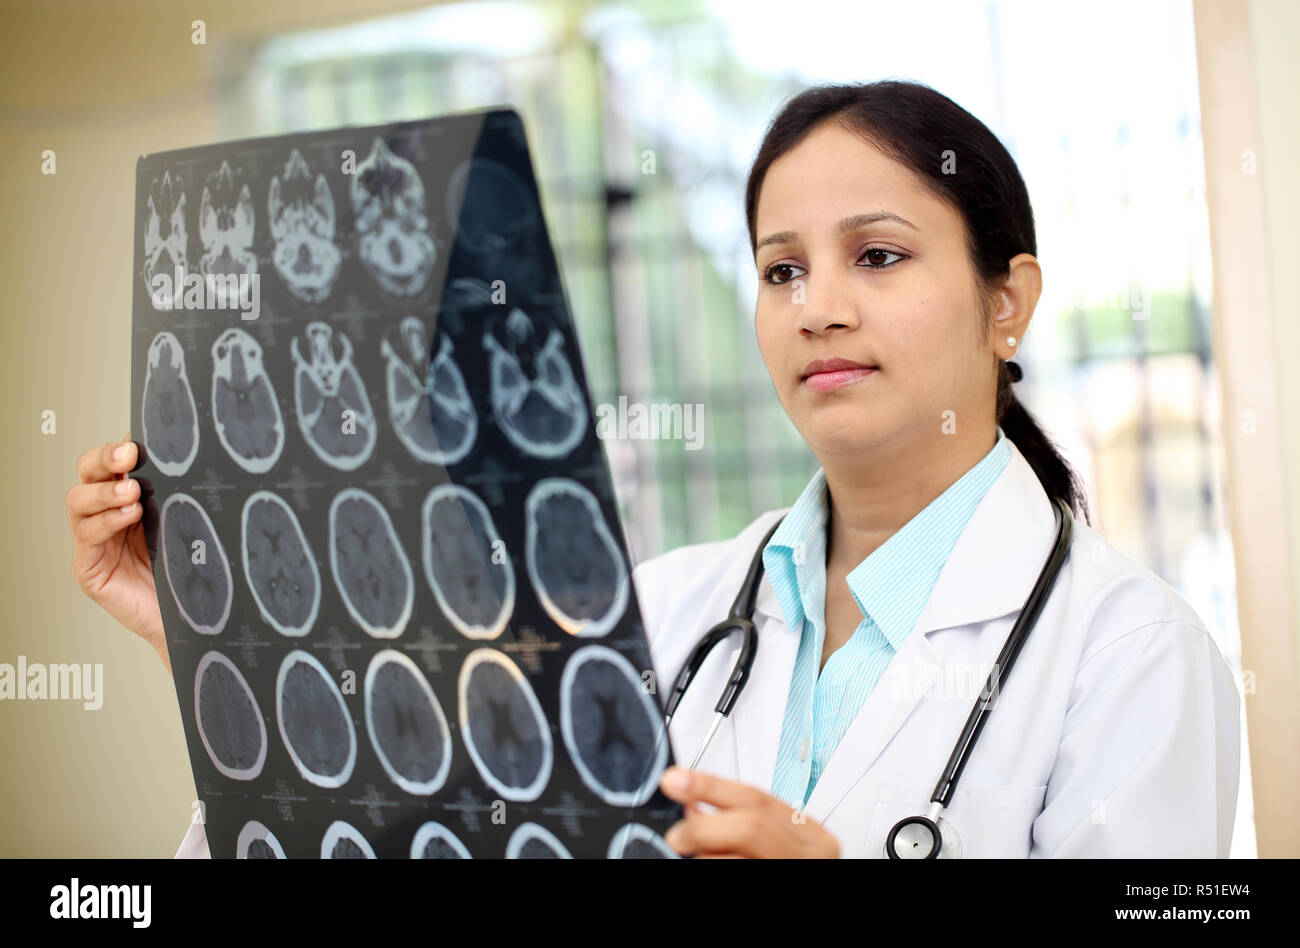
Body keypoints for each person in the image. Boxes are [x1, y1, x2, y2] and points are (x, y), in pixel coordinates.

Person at [68, 80, 1240, 859]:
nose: (818, 307)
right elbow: (413, 829)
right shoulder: (660, 607)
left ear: (1006, 302)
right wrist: (226, 641)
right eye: (780, 271)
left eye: (877, 256)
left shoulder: (1129, 652)